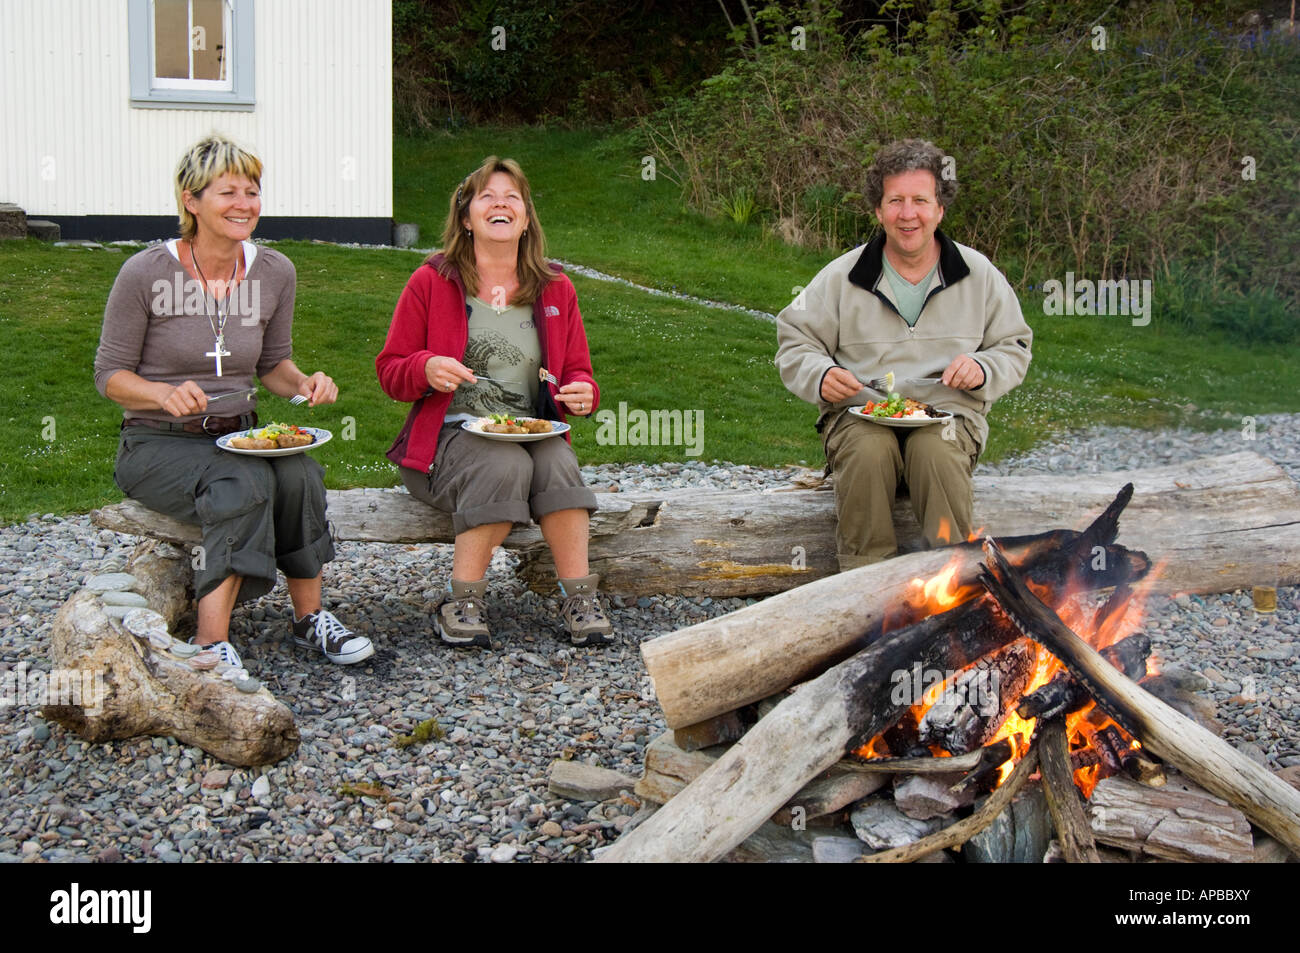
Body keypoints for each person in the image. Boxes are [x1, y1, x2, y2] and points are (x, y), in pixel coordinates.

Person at [94, 135, 374, 673]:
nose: (244, 203)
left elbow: (273, 365)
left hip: (240, 434)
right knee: (240, 484)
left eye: (252, 191)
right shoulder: (146, 273)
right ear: (190, 201)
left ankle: (309, 616)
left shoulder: (275, 272)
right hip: (157, 443)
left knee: (301, 475)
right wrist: (159, 392)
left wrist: (303, 382)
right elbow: (109, 375)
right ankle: (209, 645)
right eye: (228, 192)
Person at [376, 156, 613, 648]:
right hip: (445, 443)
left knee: (558, 461)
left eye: (513, 198)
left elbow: (579, 373)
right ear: (467, 218)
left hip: (530, 433)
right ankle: (461, 600)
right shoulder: (431, 281)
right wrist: (424, 368)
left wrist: (583, 393)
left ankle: (579, 597)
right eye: (487, 196)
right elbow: (391, 370)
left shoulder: (555, 288)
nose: (501, 204)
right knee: (504, 463)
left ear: (526, 218)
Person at [776, 139, 1033, 569]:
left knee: (935, 450)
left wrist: (983, 367)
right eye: (895, 201)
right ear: (878, 211)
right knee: (869, 451)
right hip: (859, 412)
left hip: (949, 415)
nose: (908, 214)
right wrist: (820, 374)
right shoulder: (841, 276)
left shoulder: (979, 274)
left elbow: (1015, 345)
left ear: (939, 209)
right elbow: (794, 339)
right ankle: (865, 588)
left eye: (920, 200)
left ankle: (958, 580)